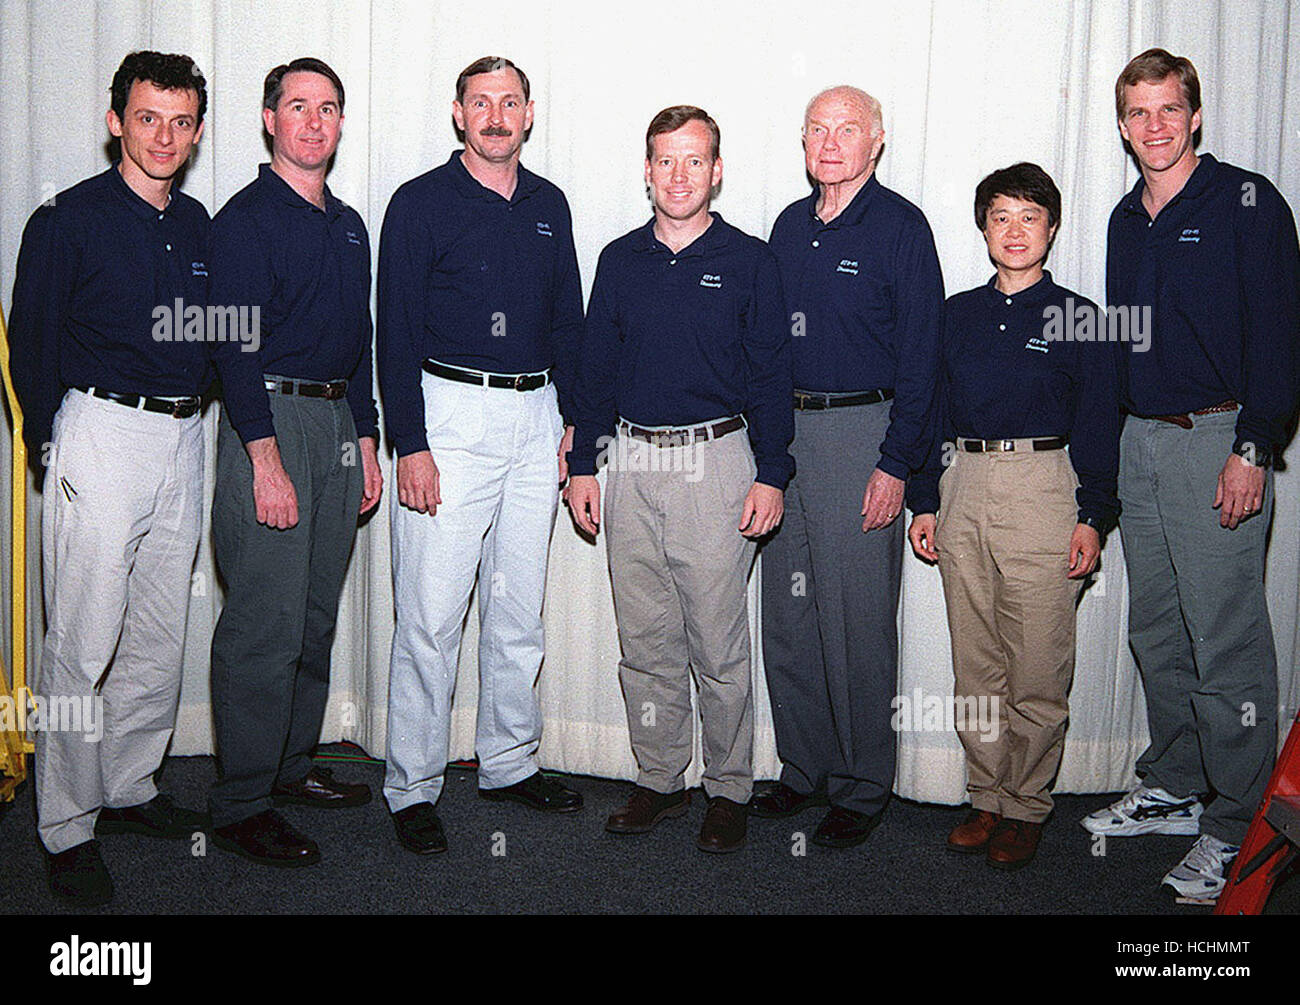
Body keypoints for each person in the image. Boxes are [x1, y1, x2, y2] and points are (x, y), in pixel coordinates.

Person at [1080, 48, 1300, 899]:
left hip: (1219, 440)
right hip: (1141, 441)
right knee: (1157, 629)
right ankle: (1175, 783)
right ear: (1123, 125)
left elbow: (1280, 334)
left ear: (1195, 114)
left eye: (1169, 108)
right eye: (1138, 112)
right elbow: (1123, 337)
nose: (1155, 126)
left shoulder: (1248, 201)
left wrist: (1254, 445)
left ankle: (1238, 823)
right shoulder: (1123, 219)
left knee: (1226, 638)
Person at [7, 51, 211, 906]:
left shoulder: (197, 222)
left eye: (180, 121)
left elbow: (209, 331)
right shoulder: (66, 220)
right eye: (148, 117)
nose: (163, 136)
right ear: (115, 121)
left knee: (159, 631)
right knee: (82, 640)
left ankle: (129, 784)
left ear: (196, 132)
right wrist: (52, 442)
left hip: (185, 436)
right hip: (101, 432)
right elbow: (31, 342)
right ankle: (65, 823)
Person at [567, 105, 794, 854]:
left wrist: (772, 472)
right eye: (665, 160)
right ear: (647, 170)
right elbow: (596, 370)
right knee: (645, 640)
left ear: (716, 171)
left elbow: (772, 374)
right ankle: (660, 777)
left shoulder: (751, 261)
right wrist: (581, 465)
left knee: (718, 645)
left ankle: (728, 787)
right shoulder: (619, 260)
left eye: (694, 160)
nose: (679, 175)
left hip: (717, 462)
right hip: (631, 461)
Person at [376, 56, 585, 855]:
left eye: (510, 102)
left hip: (536, 414)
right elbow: (394, 331)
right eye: (481, 102)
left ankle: (508, 760)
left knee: (518, 607)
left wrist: (576, 422)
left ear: (528, 113)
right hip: (450, 413)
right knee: (431, 615)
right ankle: (412, 784)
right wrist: (411, 443)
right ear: (459, 114)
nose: (496, 116)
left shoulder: (549, 204)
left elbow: (568, 320)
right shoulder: (419, 203)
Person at [908, 163, 1120, 870]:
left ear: (1051, 228)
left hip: (1044, 485)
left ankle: (1026, 805)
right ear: (984, 228)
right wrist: (925, 498)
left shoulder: (1081, 318)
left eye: (1030, 217)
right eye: (1001, 216)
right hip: (964, 482)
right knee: (976, 660)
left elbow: (1099, 424)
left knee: (1036, 662)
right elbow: (931, 409)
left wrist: (1093, 514)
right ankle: (985, 795)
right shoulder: (956, 315)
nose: (1015, 230)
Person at [754, 86, 943, 847]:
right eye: (818, 130)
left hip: (863, 435)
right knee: (788, 617)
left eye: (848, 129)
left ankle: (864, 786)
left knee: (857, 621)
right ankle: (804, 767)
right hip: (784, 437)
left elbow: (924, 358)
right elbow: (766, 344)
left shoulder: (901, 227)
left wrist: (898, 464)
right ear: (802, 142)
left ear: (877, 140)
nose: (831, 143)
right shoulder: (786, 227)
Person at [205, 58, 382, 868]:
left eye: (329, 108)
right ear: (269, 119)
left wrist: (367, 438)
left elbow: (361, 337)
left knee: (313, 615)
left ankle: (290, 766)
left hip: (336, 419)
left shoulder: (349, 224)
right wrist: (263, 459)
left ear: (341, 123)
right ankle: (241, 802)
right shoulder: (243, 220)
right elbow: (233, 347)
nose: (315, 121)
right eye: (299, 106)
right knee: (264, 622)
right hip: (270, 420)